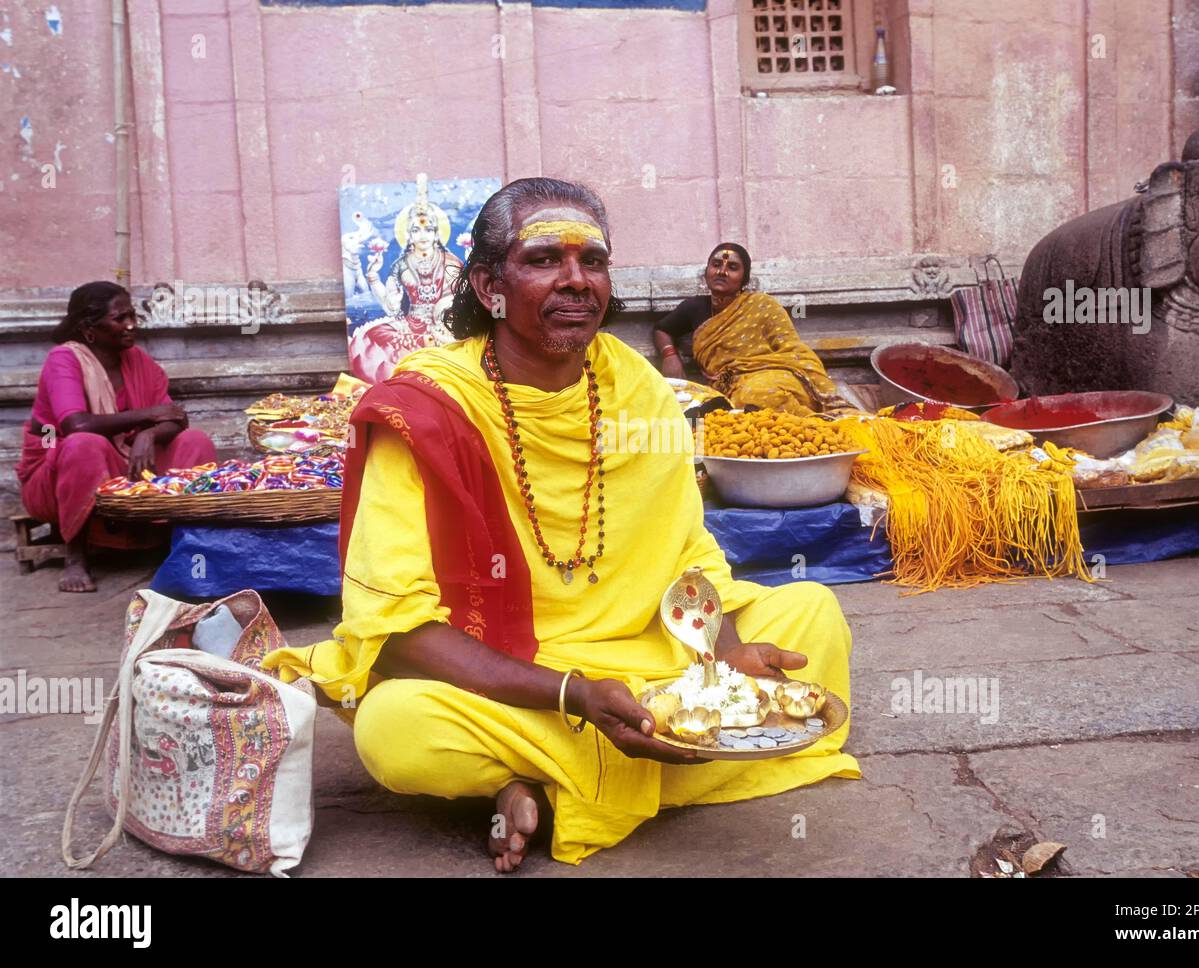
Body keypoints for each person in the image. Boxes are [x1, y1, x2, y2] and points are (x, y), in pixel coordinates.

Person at [263, 179, 859, 872]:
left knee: (812, 613)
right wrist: (573, 694)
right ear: (489, 285)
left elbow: (687, 554)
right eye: (545, 259)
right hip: (511, 668)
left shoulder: (637, 387)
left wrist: (723, 655)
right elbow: (395, 633)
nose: (576, 281)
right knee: (395, 728)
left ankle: (548, 787)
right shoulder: (428, 406)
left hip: (649, 653)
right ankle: (647, 760)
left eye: (593, 262)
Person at [16, 281, 216, 592]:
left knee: (196, 441)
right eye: (120, 318)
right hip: (56, 473)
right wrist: (149, 417)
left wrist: (148, 434)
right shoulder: (63, 361)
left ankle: (182, 543)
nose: (131, 325)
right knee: (84, 445)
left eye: (132, 315)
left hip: (127, 462)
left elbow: (176, 418)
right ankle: (76, 556)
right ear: (88, 327)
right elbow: (76, 426)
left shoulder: (137, 359)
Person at [653, 242, 847, 415]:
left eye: (733, 267)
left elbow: (793, 351)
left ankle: (817, 426)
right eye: (716, 264)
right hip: (728, 384)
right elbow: (662, 329)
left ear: (744, 279)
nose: (722, 271)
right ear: (707, 272)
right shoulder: (693, 308)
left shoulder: (762, 305)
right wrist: (670, 355)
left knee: (760, 395)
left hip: (772, 375)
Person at [348, 173, 464, 383]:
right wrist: (373, 276)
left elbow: (464, 301)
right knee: (374, 335)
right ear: (409, 234)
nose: (423, 235)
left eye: (428, 229)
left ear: (436, 233)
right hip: (411, 325)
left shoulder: (451, 262)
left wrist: (446, 315)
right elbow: (391, 308)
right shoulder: (401, 264)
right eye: (416, 230)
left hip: (446, 325)